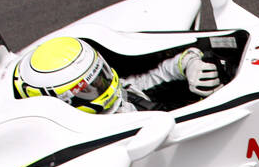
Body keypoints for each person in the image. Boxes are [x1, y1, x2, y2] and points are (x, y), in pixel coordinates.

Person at [12, 37, 220, 113]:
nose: (104, 85)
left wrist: (189, 61)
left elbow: (153, 79)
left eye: (100, 75)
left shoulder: (120, 94)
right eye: (88, 88)